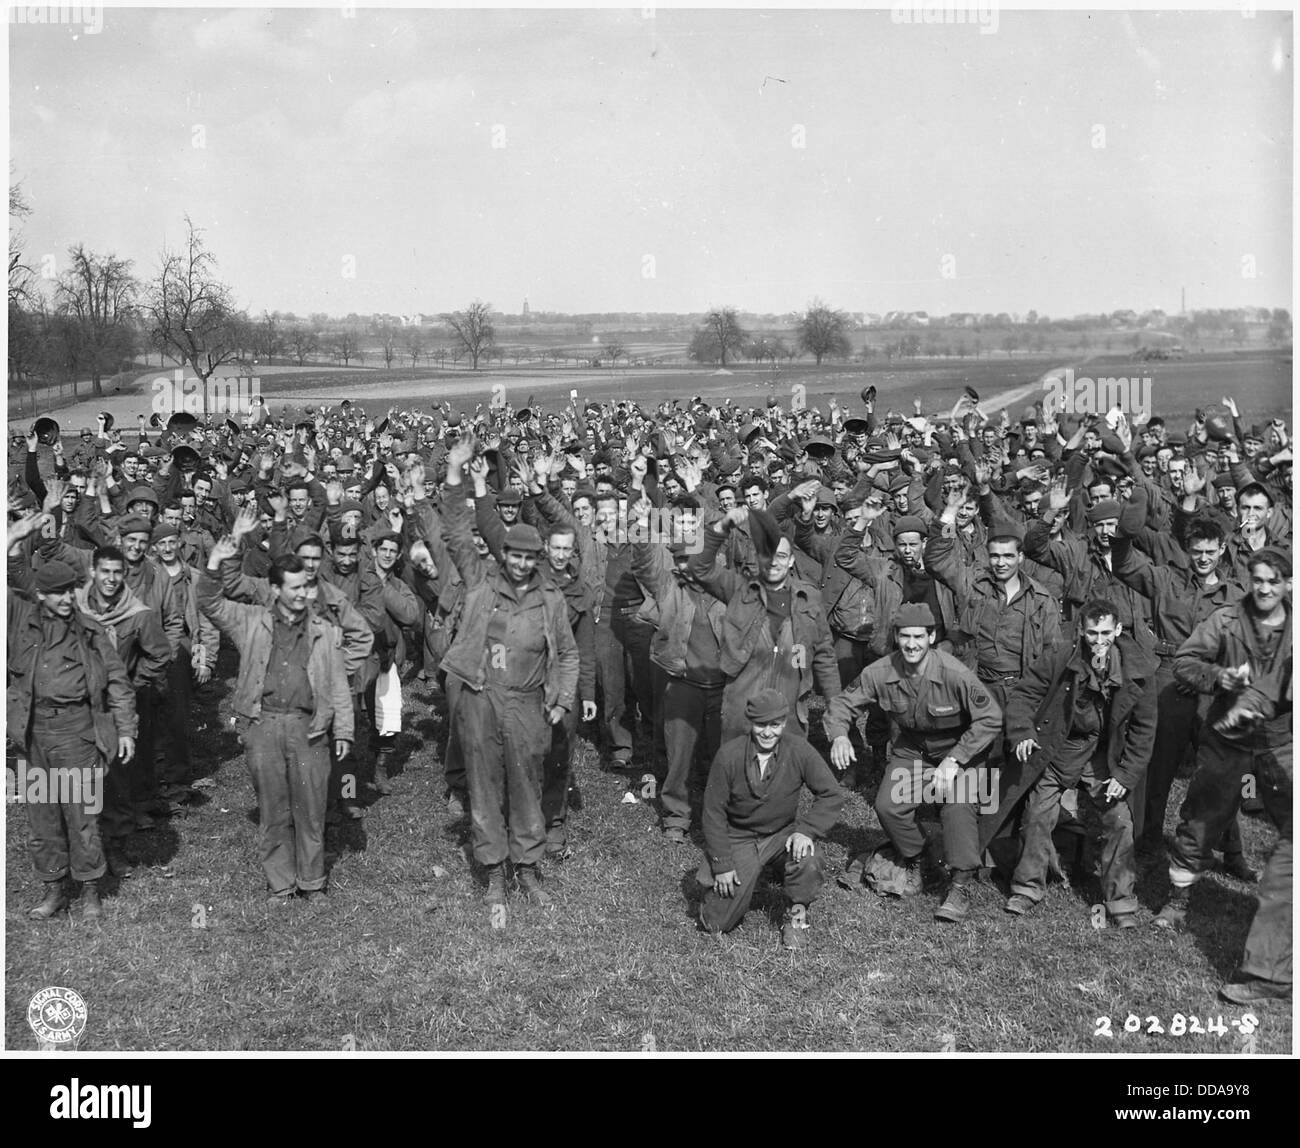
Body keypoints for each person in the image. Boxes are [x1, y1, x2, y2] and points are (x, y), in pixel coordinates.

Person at [439, 436, 580, 907]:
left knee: (526, 784)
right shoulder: (481, 581)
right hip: (482, 697)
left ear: (537, 558)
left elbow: (567, 654)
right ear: (505, 554)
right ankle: (494, 868)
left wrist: (560, 699)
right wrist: (457, 475)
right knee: (483, 784)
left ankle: (528, 865)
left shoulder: (550, 599)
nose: (520, 562)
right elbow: (458, 531)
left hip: (527, 702)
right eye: (514, 554)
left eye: (527, 556)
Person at [1156, 549, 1292, 1003]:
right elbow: (1184, 662)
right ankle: (1178, 900)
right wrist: (1220, 677)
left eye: (1275, 581)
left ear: (1288, 583)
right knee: (1200, 818)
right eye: (1258, 580)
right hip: (1227, 739)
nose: (1265, 589)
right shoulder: (1227, 619)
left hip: (1281, 742)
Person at [824, 603, 1002, 923]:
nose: (911, 644)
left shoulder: (954, 673)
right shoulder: (881, 671)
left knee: (957, 806)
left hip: (961, 749)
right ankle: (919, 858)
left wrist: (954, 761)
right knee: (888, 805)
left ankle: (960, 885)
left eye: (918, 636)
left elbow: (990, 718)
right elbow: (843, 703)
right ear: (896, 636)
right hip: (915, 749)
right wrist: (838, 735)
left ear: (931, 636)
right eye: (904, 636)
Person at [198, 541, 354, 905]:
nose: (304, 593)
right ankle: (280, 884)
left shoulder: (325, 632)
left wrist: (343, 729)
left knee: (312, 807)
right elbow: (210, 602)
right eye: (296, 587)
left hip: (309, 728)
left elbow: (338, 684)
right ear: (276, 589)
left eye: (307, 586)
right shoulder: (251, 621)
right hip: (264, 725)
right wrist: (215, 564)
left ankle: (312, 881)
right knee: (273, 808)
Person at [1001, 600, 1158, 926]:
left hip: (1102, 754)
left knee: (1120, 821)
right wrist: (1023, 732)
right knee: (1037, 813)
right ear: (1080, 632)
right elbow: (1024, 695)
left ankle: (1120, 901)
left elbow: (1144, 732)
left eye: (1105, 633)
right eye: (1091, 634)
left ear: (1117, 630)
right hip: (1061, 746)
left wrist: (1126, 775)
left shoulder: (1139, 670)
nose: (1098, 641)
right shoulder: (1060, 655)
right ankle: (1027, 887)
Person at [7, 537, 138, 922]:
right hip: (33, 736)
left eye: (70, 591)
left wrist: (126, 730)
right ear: (41, 596)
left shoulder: (91, 631)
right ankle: (53, 890)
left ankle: (91, 891)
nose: (66, 599)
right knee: (41, 817)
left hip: (77, 732)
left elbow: (117, 681)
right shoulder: (22, 624)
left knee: (82, 815)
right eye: (57, 593)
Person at [698, 689, 845, 948]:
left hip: (782, 834)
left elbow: (831, 793)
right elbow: (713, 814)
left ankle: (796, 917)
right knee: (716, 924)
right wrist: (721, 864)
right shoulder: (729, 755)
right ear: (750, 723)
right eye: (761, 725)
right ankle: (745, 876)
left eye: (775, 725)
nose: (768, 733)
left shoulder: (798, 749)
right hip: (739, 836)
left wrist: (806, 831)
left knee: (808, 858)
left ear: (784, 723)